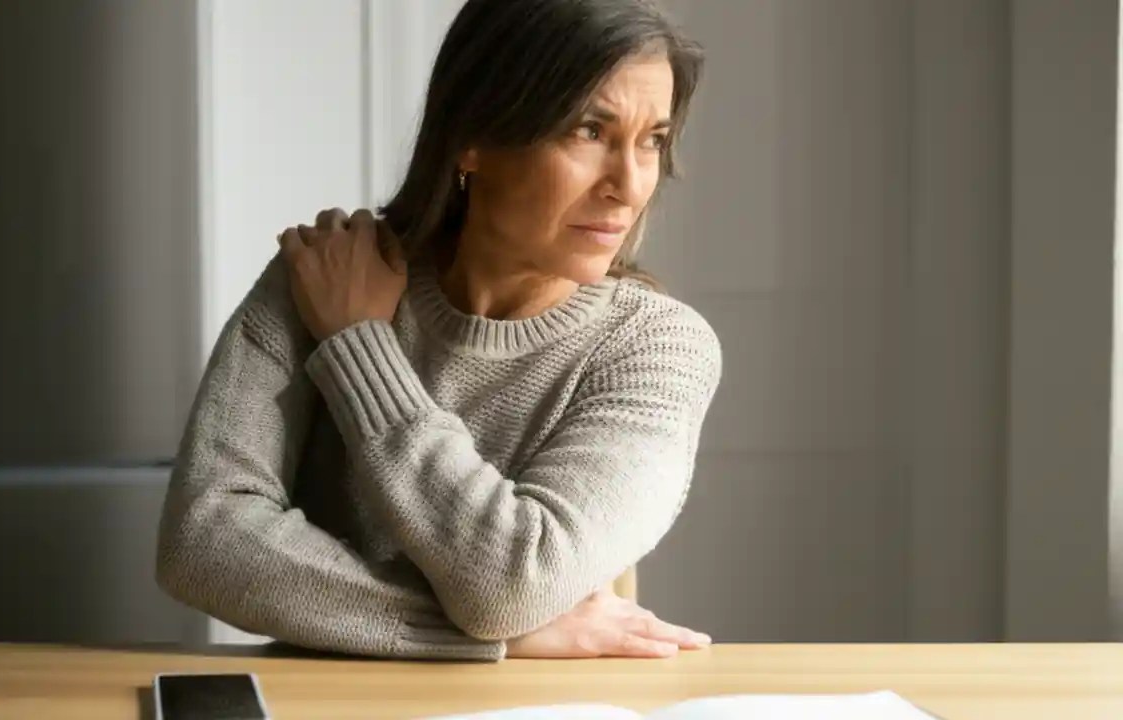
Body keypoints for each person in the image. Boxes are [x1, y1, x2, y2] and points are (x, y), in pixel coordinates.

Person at [156, 0, 721, 661]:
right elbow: (202, 541)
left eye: (651, 141)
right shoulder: (320, 277)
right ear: (472, 138)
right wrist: (504, 636)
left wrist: (358, 347)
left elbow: (513, 585)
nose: (628, 186)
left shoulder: (657, 347)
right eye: (588, 131)